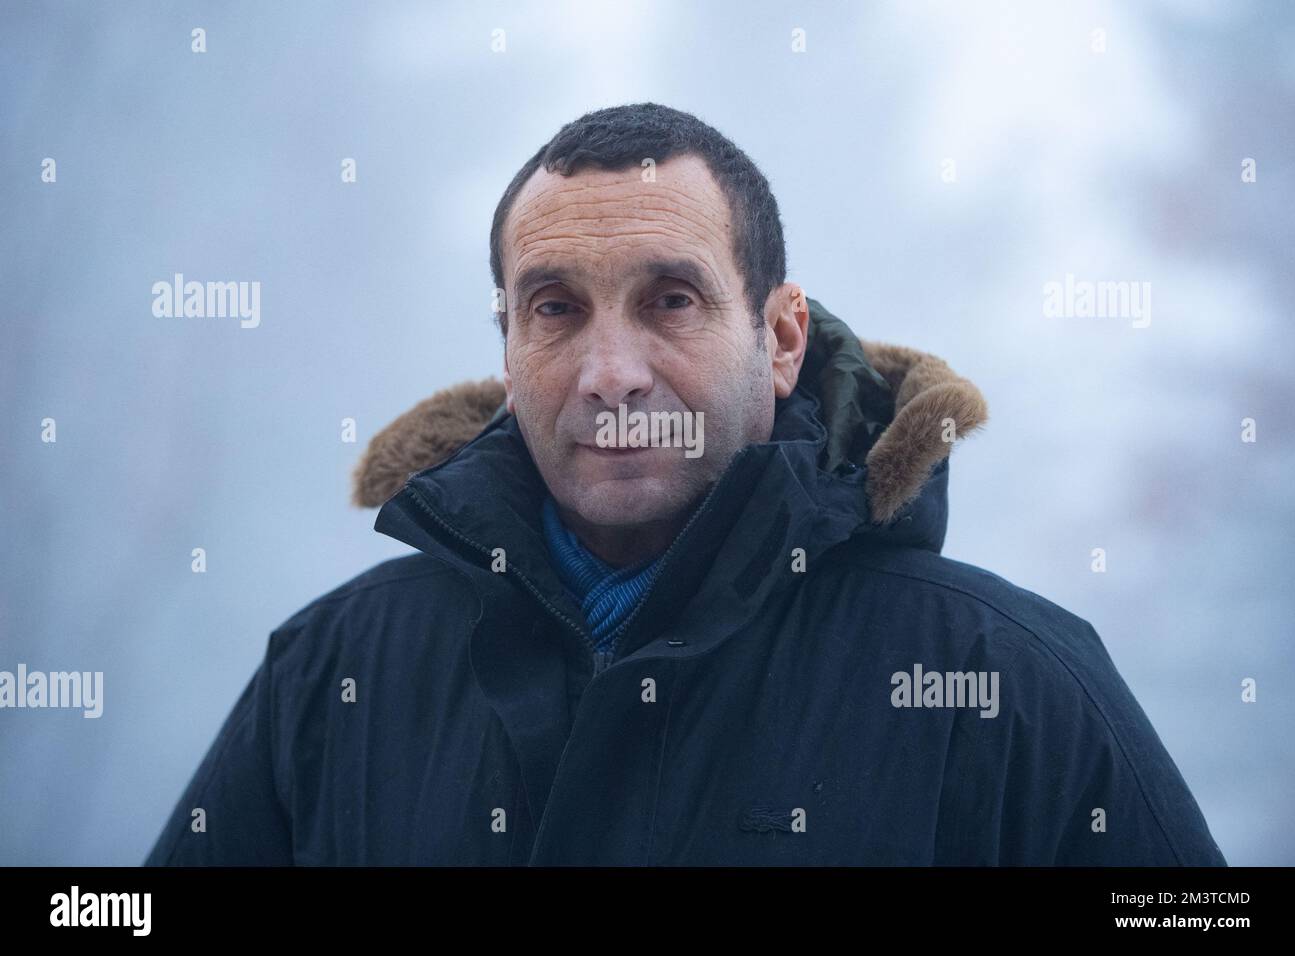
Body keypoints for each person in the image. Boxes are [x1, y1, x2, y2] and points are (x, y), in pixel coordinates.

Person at [144, 102, 1226, 865]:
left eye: (669, 299)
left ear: (783, 335)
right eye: (556, 307)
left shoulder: (1008, 684)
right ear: (509, 342)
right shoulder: (335, 674)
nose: (611, 373)